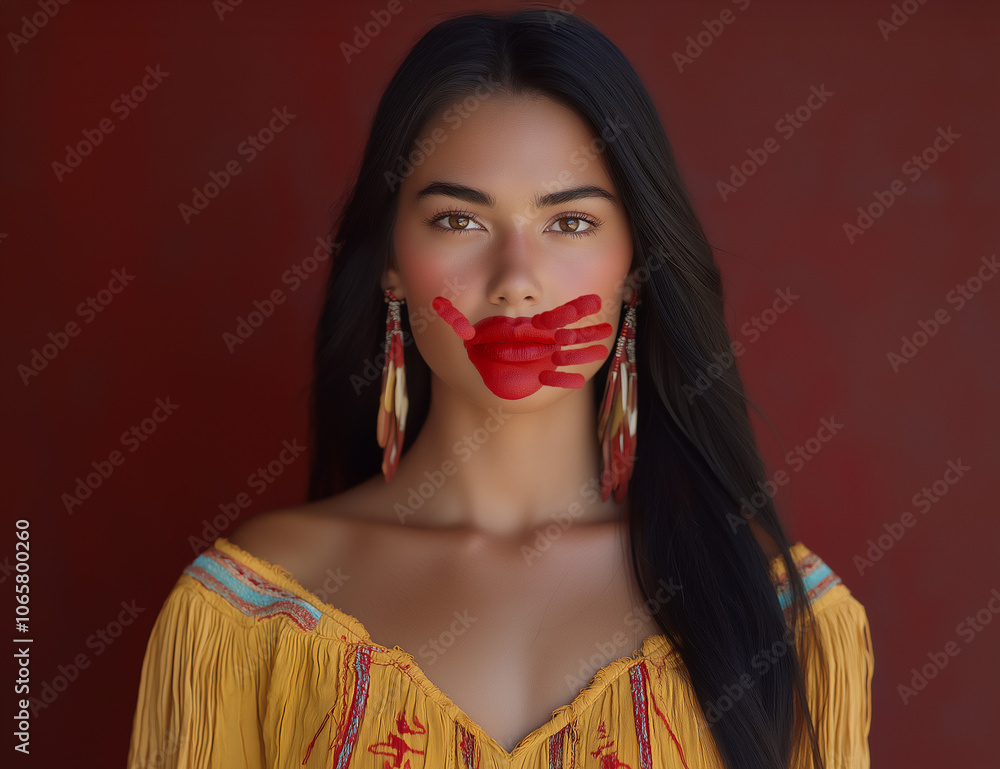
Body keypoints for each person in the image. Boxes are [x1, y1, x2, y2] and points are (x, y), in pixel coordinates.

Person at [127, 7, 874, 768]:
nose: (516, 280)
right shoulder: (251, 612)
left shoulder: (783, 617)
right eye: (459, 220)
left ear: (637, 268)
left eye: (570, 223)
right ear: (390, 263)